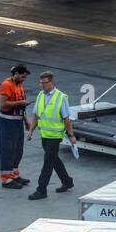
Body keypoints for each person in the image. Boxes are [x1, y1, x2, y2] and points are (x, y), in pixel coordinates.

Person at [25, 71, 76, 200]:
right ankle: (67, 181)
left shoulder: (61, 97)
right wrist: (31, 130)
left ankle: (41, 190)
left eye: (45, 83)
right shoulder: (41, 95)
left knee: (48, 162)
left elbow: (66, 119)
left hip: (55, 135)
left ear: (51, 82)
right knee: (53, 159)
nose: (42, 85)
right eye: (41, 83)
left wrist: (71, 135)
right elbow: (36, 114)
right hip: (44, 134)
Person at [0, 64, 32, 189]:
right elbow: (3, 104)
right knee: (8, 150)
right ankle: (6, 179)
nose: (23, 79)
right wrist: (19, 102)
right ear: (16, 74)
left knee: (18, 150)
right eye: (22, 77)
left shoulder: (19, 85)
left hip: (18, 122)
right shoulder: (6, 85)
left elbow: (22, 108)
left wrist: (26, 121)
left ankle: (14, 175)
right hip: (7, 123)